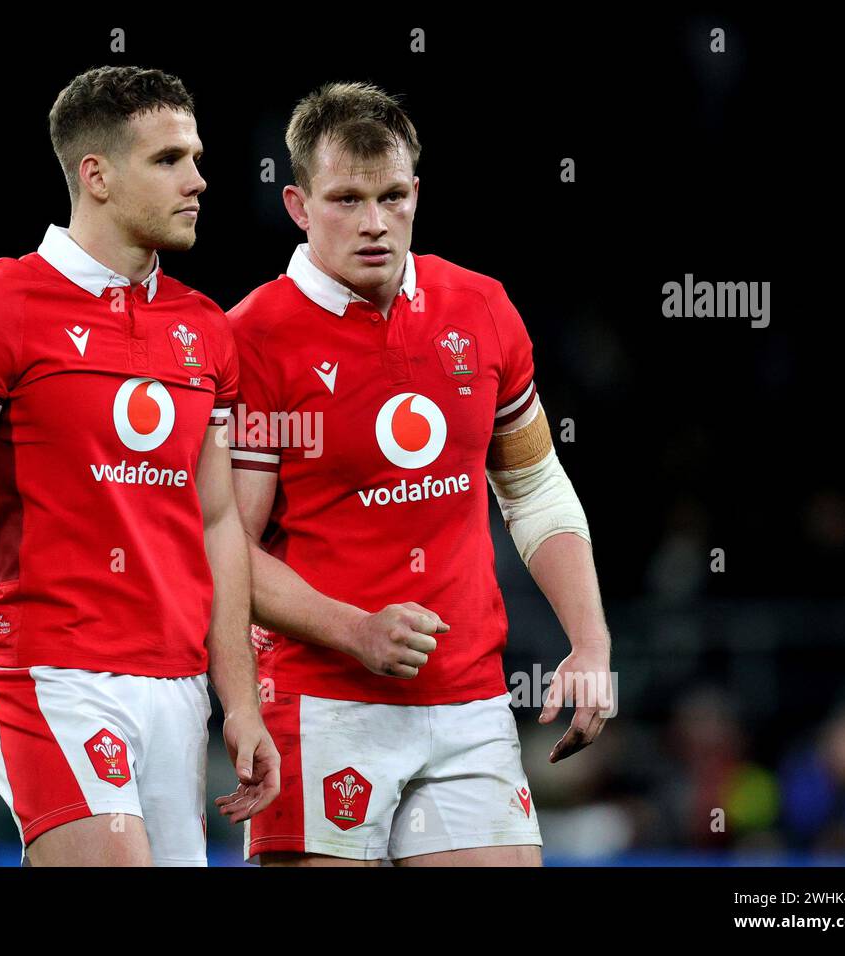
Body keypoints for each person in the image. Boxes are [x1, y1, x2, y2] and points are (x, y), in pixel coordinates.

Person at [0, 65, 278, 866]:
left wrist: (240, 700)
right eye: (169, 160)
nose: (199, 181)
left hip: (177, 689)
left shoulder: (205, 330)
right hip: (48, 674)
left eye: (197, 158)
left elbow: (216, 524)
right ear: (95, 176)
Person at [217, 82, 611, 866]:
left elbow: (532, 488)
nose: (374, 222)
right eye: (346, 199)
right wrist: (354, 630)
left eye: (393, 196)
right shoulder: (252, 337)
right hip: (321, 702)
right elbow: (223, 546)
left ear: (417, 192)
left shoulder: (482, 308)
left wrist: (590, 642)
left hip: (468, 699)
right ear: (297, 205)